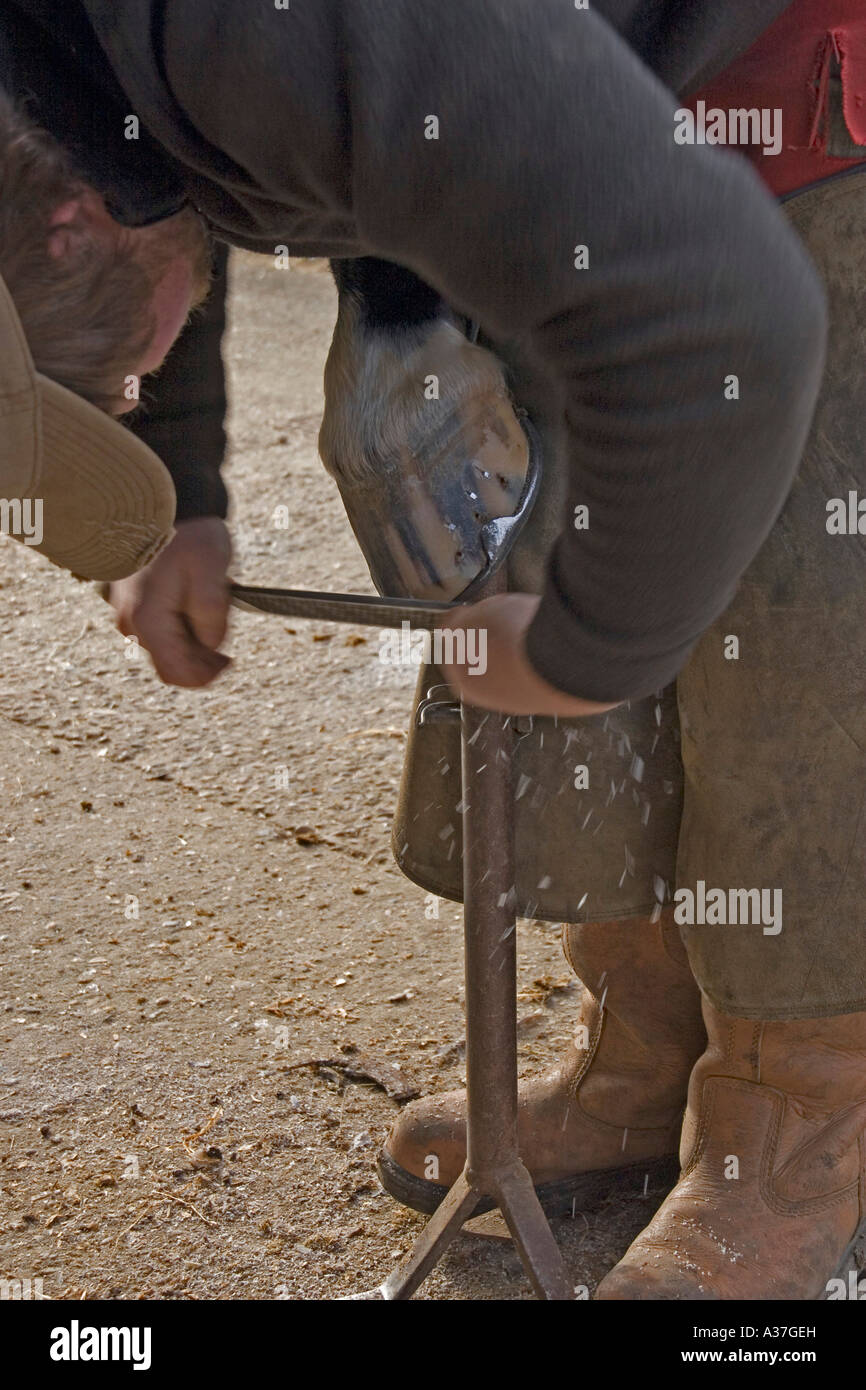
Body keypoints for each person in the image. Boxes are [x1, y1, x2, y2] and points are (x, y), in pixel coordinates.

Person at [0, 0, 856, 1298]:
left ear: (64, 222)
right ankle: (654, 1037)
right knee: (520, 510)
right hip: (533, 95)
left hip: (781, 100)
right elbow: (145, 171)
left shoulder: (265, 48)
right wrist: (175, 484)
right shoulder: (65, 81)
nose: (125, 390)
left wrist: (577, 649)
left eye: (106, 388)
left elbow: (735, 312)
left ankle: (795, 1132)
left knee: (779, 622)